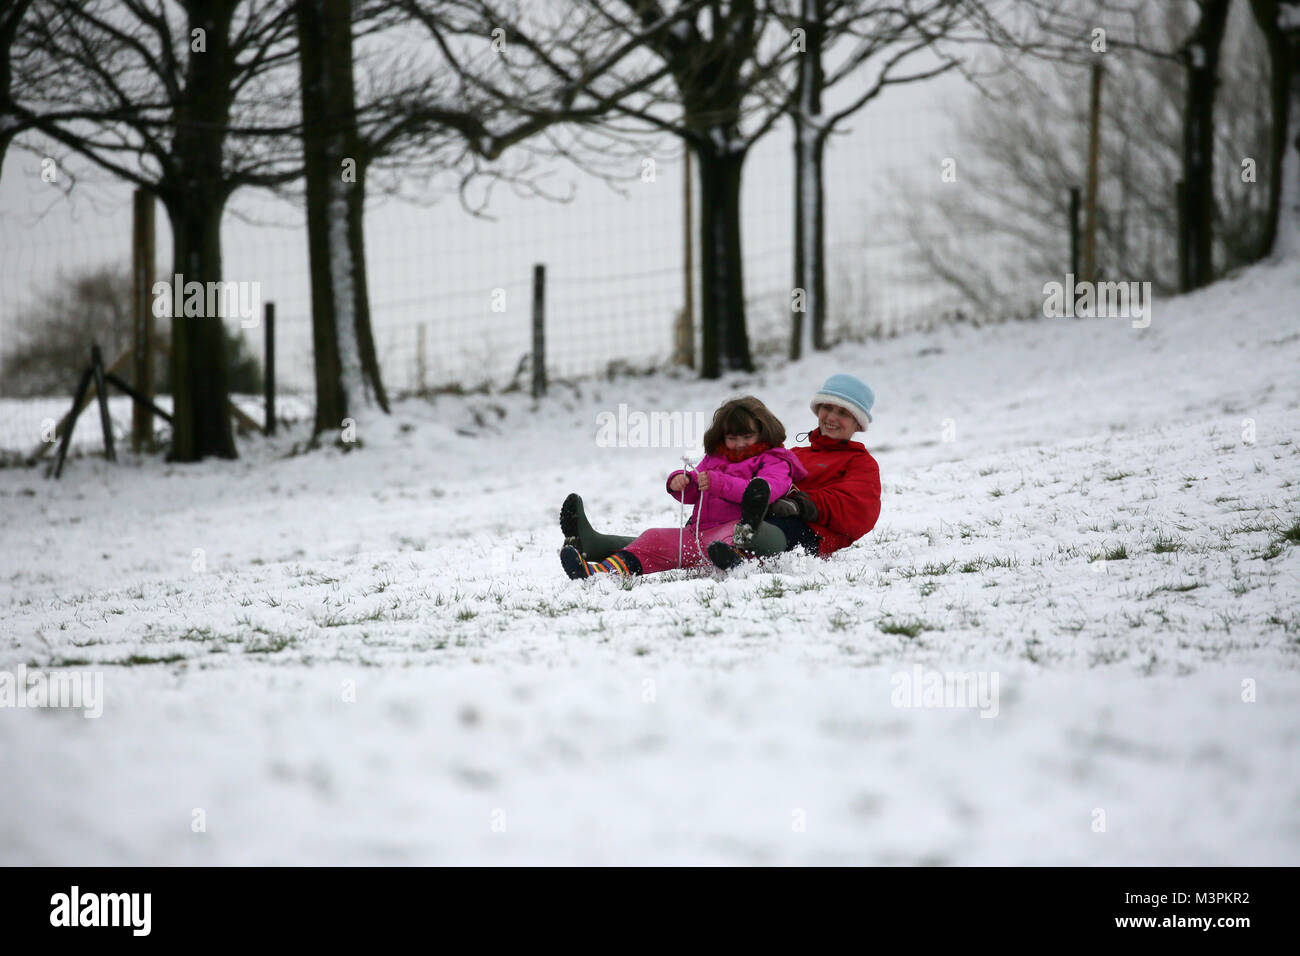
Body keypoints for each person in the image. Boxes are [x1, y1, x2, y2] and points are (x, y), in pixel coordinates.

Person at [561, 374, 881, 572]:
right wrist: (685, 485)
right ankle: (598, 544)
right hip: (742, 518)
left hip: (807, 533)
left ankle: (740, 545)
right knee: (681, 540)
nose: (832, 417)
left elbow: (858, 511)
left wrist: (802, 503)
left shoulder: (860, 464)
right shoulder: (794, 453)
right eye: (828, 408)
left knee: (750, 528)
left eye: (844, 412)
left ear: (857, 423)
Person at [559, 396, 806, 578]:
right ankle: (599, 573)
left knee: (728, 538)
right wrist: (682, 482)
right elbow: (696, 489)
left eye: (746, 436)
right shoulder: (716, 457)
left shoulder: (775, 459)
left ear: (763, 432)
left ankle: (735, 563)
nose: (739, 444)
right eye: (732, 438)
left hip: (735, 529)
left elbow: (764, 491)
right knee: (652, 538)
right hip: (699, 534)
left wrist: (719, 483)